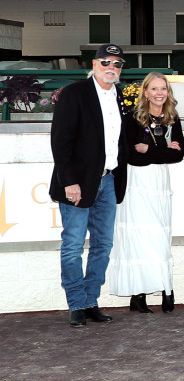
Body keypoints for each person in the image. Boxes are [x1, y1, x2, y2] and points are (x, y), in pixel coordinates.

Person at [49, 44, 130, 328]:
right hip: (78, 184)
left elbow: (120, 140)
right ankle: (76, 304)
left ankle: (91, 300)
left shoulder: (119, 95)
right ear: (94, 64)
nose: (112, 67)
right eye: (106, 61)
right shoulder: (74, 94)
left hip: (109, 180)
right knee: (73, 245)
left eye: (117, 64)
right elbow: (61, 142)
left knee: (102, 246)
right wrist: (69, 181)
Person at [109, 74, 184, 314]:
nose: (159, 93)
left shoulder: (172, 119)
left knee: (159, 235)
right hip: (137, 182)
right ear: (145, 92)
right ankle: (138, 294)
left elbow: (178, 155)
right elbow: (132, 156)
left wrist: (152, 149)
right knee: (139, 235)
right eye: (154, 89)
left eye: (163, 88)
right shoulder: (132, 119)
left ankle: (167, 289)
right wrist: (163, 149)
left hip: (159, 183)